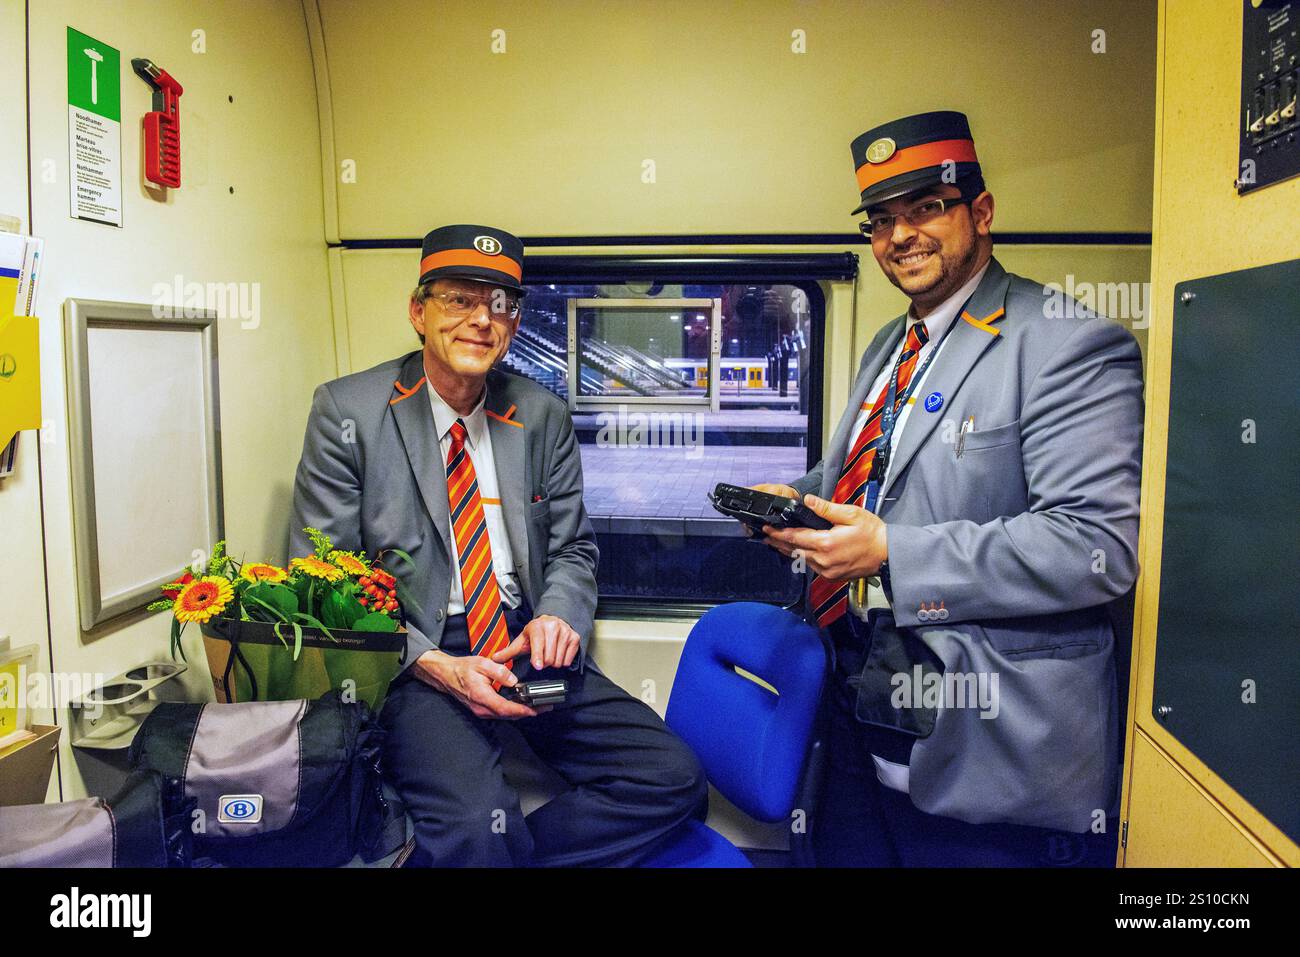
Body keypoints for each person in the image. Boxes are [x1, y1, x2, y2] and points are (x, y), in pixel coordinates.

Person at [753, 111, 1143, 866]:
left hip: (985, 736)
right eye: (882, 220)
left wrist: (892, 551)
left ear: (982, 212)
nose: (901, 236)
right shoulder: (891, 343)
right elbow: (871, 480)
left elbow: (1096, 545)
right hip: (864, 689)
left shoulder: (1066, 341)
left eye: (926, 207)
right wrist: (794, 498)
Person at [290, 225, 705, 866]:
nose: (482, 320)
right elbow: (323, 580)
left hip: (520, 641)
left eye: (502, 305)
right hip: (413, 657)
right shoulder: (348, 412)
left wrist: (559, 615)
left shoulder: (540, 416)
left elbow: (572, 549)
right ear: (418, 312)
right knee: (480, 830)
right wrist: (435, 665)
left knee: (672, 779)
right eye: (459, 300)